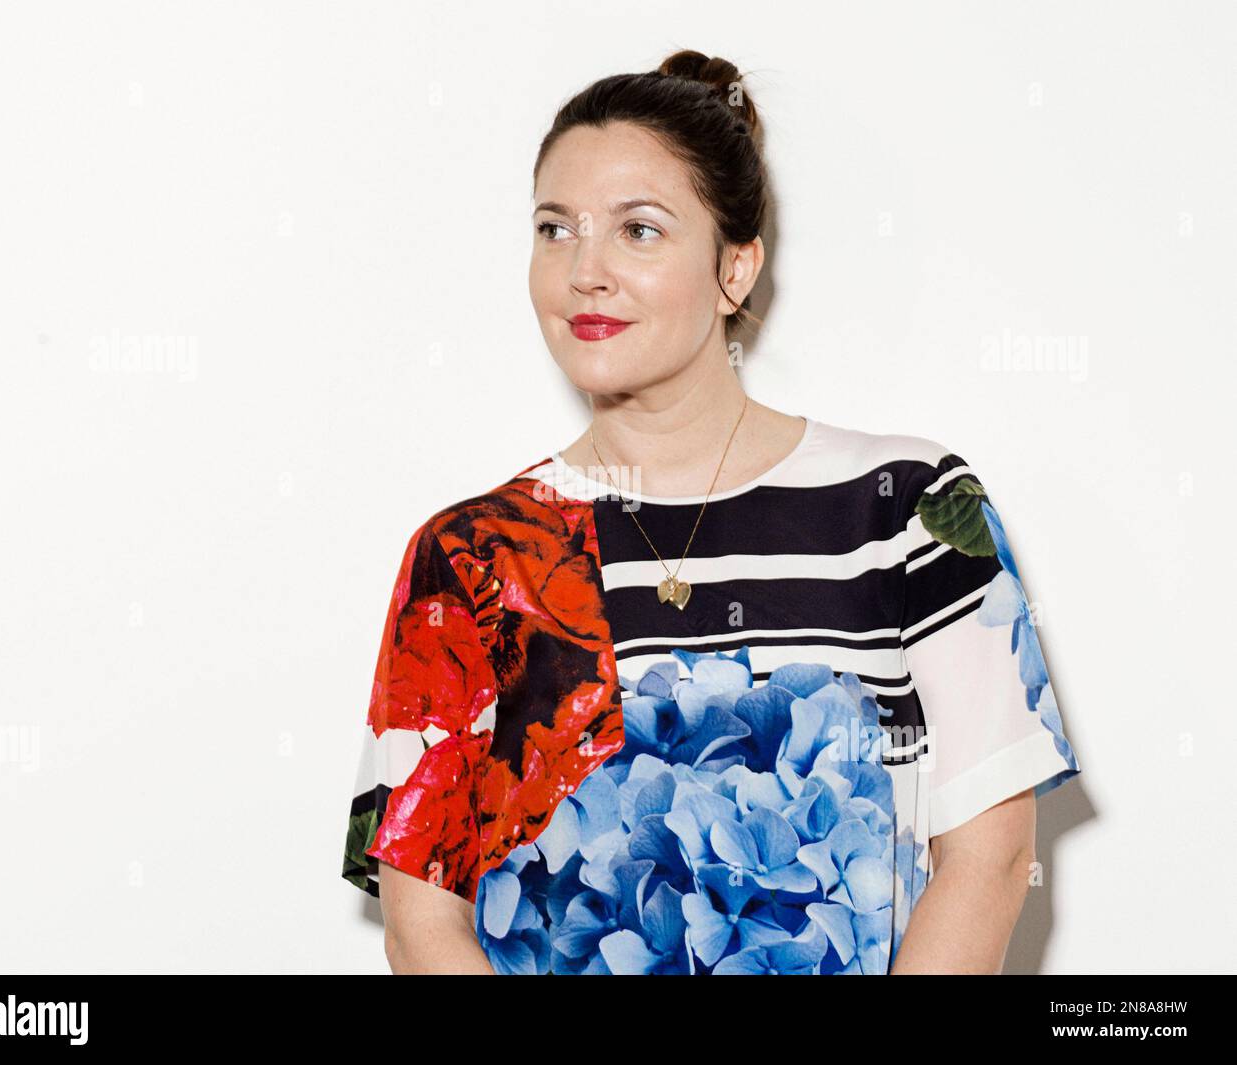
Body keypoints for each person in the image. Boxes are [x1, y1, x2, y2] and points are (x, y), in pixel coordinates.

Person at [341, 49, 1081, 975]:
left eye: (639, 231)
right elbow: (424, 925)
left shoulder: (909, 508)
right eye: (555, 229)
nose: (586, 271)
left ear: (737, 267)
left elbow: (990, 857)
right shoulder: (469, 558)